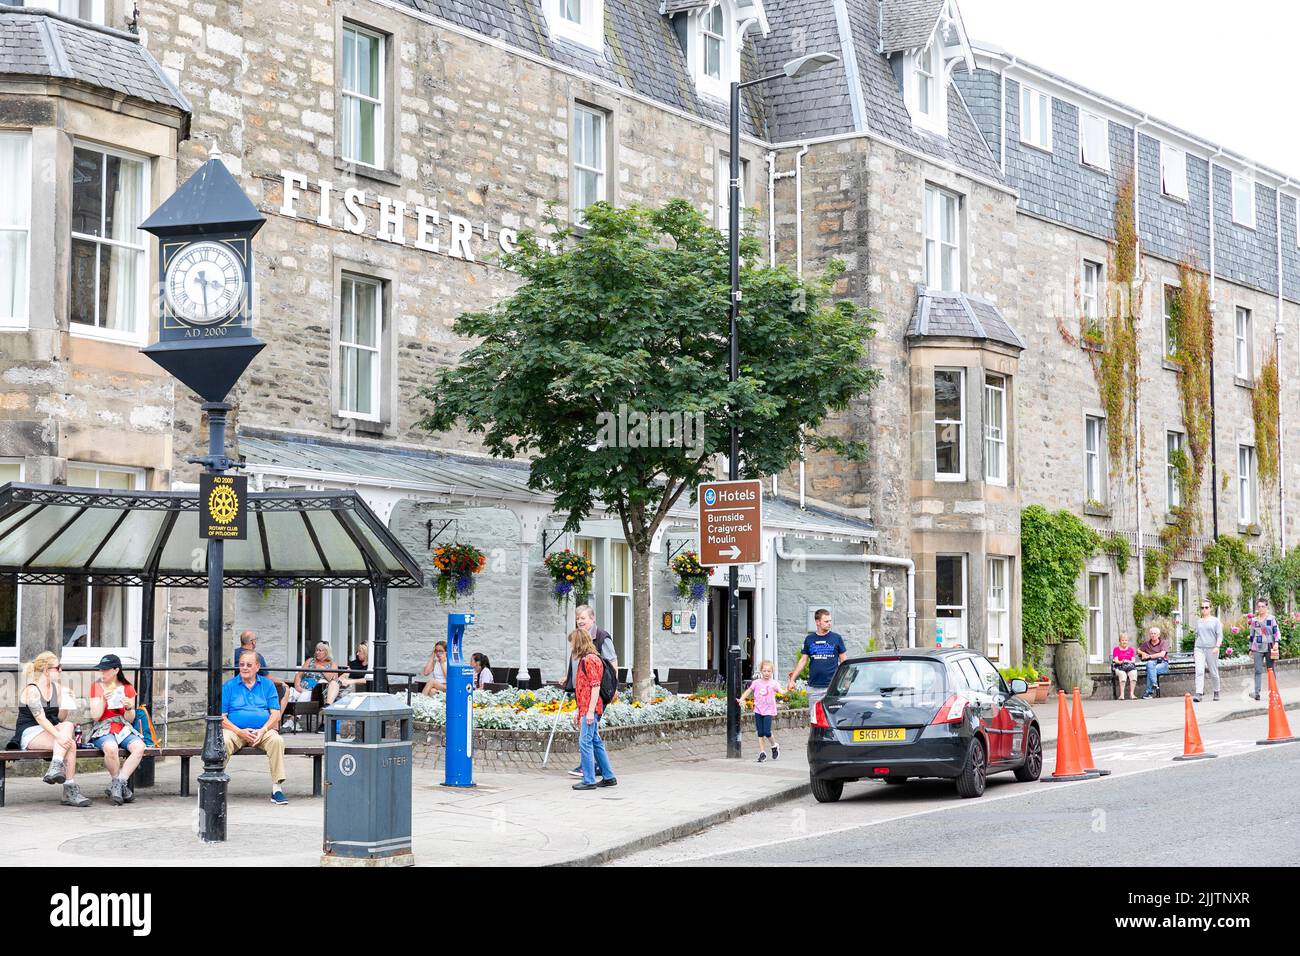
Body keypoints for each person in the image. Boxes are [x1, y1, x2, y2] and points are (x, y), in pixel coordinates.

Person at [5, 651, 90, 806]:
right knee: (69, 743)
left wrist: (66, 703)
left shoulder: (57, 688)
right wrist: (59, 736)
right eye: (58, 667)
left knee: (69, 725)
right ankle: (68, 790)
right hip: (30, 732)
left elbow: (61, 718)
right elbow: (41, 719)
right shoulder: (32, 690)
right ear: (46, 670)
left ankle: (55, 767)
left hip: (50, 730)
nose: (61, 670)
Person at [222, 649, 289, 805]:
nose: (244, 668)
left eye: (249, 665)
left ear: (257, 667)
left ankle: (277, 788)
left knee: (276, 741)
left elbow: (275, 714)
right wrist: (239, 731)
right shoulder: (229, 686)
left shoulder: (267, 685)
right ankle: (216, 783)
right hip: (235, 731)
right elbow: (221, 717)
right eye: (241, 665)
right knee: (222, 741)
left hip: (262, 731)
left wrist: (263, 730)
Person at [87, 653, 147, 805]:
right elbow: (95, 716)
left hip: (122, 727)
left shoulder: (127, 688)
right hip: (103, 727)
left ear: (116, 670)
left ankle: (118, 784)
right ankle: (118, 784)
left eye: (105, 670)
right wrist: (102, 700)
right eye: (101, 670)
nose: (102, 673)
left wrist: (128, 708)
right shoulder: (96, 687)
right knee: (111, 748)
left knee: (139, 747)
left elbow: (130, 719)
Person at [566, 605, 617, 778]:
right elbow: (582, 687)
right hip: (586, 703)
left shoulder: (591, 656)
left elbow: (596, 685)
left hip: (593, 704)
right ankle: (608, 775)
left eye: (583, 618)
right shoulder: (584, 658)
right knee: (594, 739)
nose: (580, 621)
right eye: (578, 618)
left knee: (585, 741)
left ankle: (588, 778)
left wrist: (588, 710)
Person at [785, 609, 847, 716]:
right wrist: (792, 679)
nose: (829, 623)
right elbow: (803, 660)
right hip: (814, 687)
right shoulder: (810, 639)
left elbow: (844, 661)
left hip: (832, 686)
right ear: (818, 622)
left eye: (830, 621)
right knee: (815, 718)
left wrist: (845, 681)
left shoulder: (836, 638)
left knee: (832, 717)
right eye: (826, 621)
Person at [738, 660, 782, 762]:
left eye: (769, 671)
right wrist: (741, 699)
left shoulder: (774, 683)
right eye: (765, 671)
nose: (767, 673)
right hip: (758, 710)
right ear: (761, 671)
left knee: (767, 731)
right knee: (760, 732)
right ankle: (762, 753)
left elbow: (782, 692)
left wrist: (789, 687)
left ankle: (774, 745)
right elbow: (749, 691)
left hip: (768, 711)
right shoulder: (756, 683)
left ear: (772, 672)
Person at [234, 630, 288, 704]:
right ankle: (278, 714)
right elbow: (267, 676)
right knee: (284, 689)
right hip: (254, 689)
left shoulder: (232, 654)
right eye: (255, 640)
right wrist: (282, 682)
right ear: (252, 642)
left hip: (236, 686)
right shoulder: (256, 656)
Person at [1249, 597, 1281, 701]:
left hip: (1269, 647)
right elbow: (1252, 635)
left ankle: (1273, 692)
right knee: (1257, 670)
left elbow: (1276, 632)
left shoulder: (1271, 619)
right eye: (1259, 606)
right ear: (1256, 608)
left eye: (1263, 606)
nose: (1261, 608)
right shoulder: (1254, 620)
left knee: (1270, 670)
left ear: (1266, 607)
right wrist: (1250, 649)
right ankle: (1257, 693)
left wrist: (1276, 643)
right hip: (1257, 648)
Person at [1192, 600, 1223, 703]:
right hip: (1199, 648)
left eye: (1206, 607)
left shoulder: (1215, 621)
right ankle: (1199, 693)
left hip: (1212, 648)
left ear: (1210, 608)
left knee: (1213, 671)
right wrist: (1195, 648)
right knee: (1199, 671)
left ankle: (1216, 691)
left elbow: (1219, 635)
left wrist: (1217, 646)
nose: (1204, 609)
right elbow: (1196, 635)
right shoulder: (1198, 621)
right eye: (1202, 608)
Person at [294, 641, 342, 707]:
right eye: (316, 650)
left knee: (304, 695)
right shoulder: (310, 661)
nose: (317, 652)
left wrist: (321, 668)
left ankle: (295, 717)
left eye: (320, 650)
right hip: (301, 688)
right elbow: (299, 674)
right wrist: (297, 686)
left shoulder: (332, 664)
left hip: (314, 691)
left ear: (326, 652)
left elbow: (331, 679)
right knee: (289, 695)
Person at [1138, 625, 1170, 699]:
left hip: (1162, 664)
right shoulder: (1147, 644)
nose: (1153, 635)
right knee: (1150, 664)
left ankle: (1149, 692)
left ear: (1158, 635)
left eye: (1155, 633)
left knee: (1150, 669)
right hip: (1152, 664)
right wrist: (1142, 653)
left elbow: (1162, 654)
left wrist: (1149, 656)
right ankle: (1154, 684)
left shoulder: (1163, 642)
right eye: (1151, 633)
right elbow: (1138, 650)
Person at [1111, 632, 1138, 700]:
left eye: (1126, 640)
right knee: (1123, 675)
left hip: (1129, 666)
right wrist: (1122, 661)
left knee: (1134, 674)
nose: (1124, 642)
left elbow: (1133, 660)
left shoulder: (1131, 649)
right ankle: (1122, 695)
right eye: (1122, 640)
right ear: (1119, 641)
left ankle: (1132, 694)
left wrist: (1128, 661)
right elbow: (1116, 660)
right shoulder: (1116, 649)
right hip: (1120, 666)